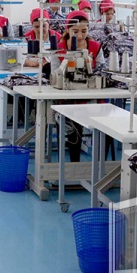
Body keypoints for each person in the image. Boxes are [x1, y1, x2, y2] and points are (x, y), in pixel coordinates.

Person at [57, 11, 102, 162]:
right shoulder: (60, 48)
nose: (80, 35)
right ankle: (74, 165)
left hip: (92, 95)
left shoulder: (95, 47)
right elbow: (55, 73)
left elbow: (101, 70)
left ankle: (101, 165)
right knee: (72, 121)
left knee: (107, 123)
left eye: (84, 31)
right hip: (66, 97)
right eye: (75, 31)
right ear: (68, 30)